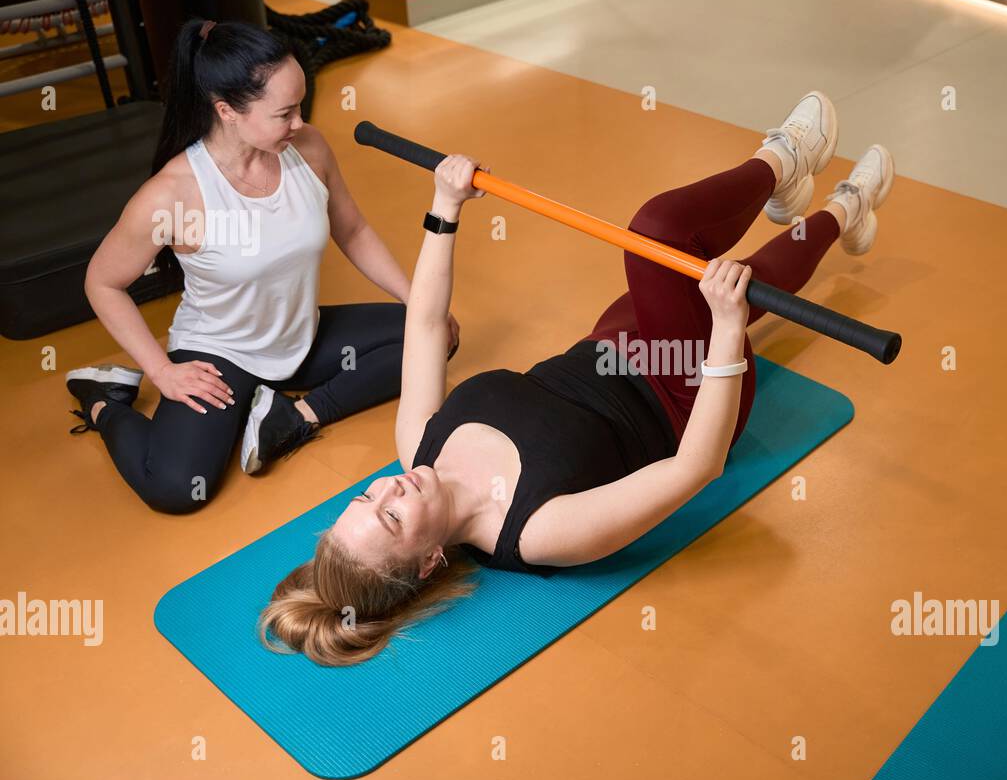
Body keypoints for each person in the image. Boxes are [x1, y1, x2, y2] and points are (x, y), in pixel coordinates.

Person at [259, 90, 894, 666]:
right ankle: (781, 159)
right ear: (428, 563)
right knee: (658, 235)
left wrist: (444, 207)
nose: (392, 490)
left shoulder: (417, 442)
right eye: (393, 519)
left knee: (722, 284)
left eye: (369, 497)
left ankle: (846, 208)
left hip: (609, 346)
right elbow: (693, 469)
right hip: (686, 393)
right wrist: (726, 336)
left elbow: (423, 327)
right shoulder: (537, 533)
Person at [64, 18, 460, 513]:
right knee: (177, 489)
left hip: (302, 337)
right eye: (285, 113)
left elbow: (353, 231)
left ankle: (293, 418)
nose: (300, 122)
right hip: (222, 356)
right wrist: (161, 370)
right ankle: (101, 398)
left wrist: (417, 303)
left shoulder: (307, 148)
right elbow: (102, 282)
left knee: (434, 334)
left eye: (300, 106)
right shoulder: (173, 193)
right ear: (227, 110)